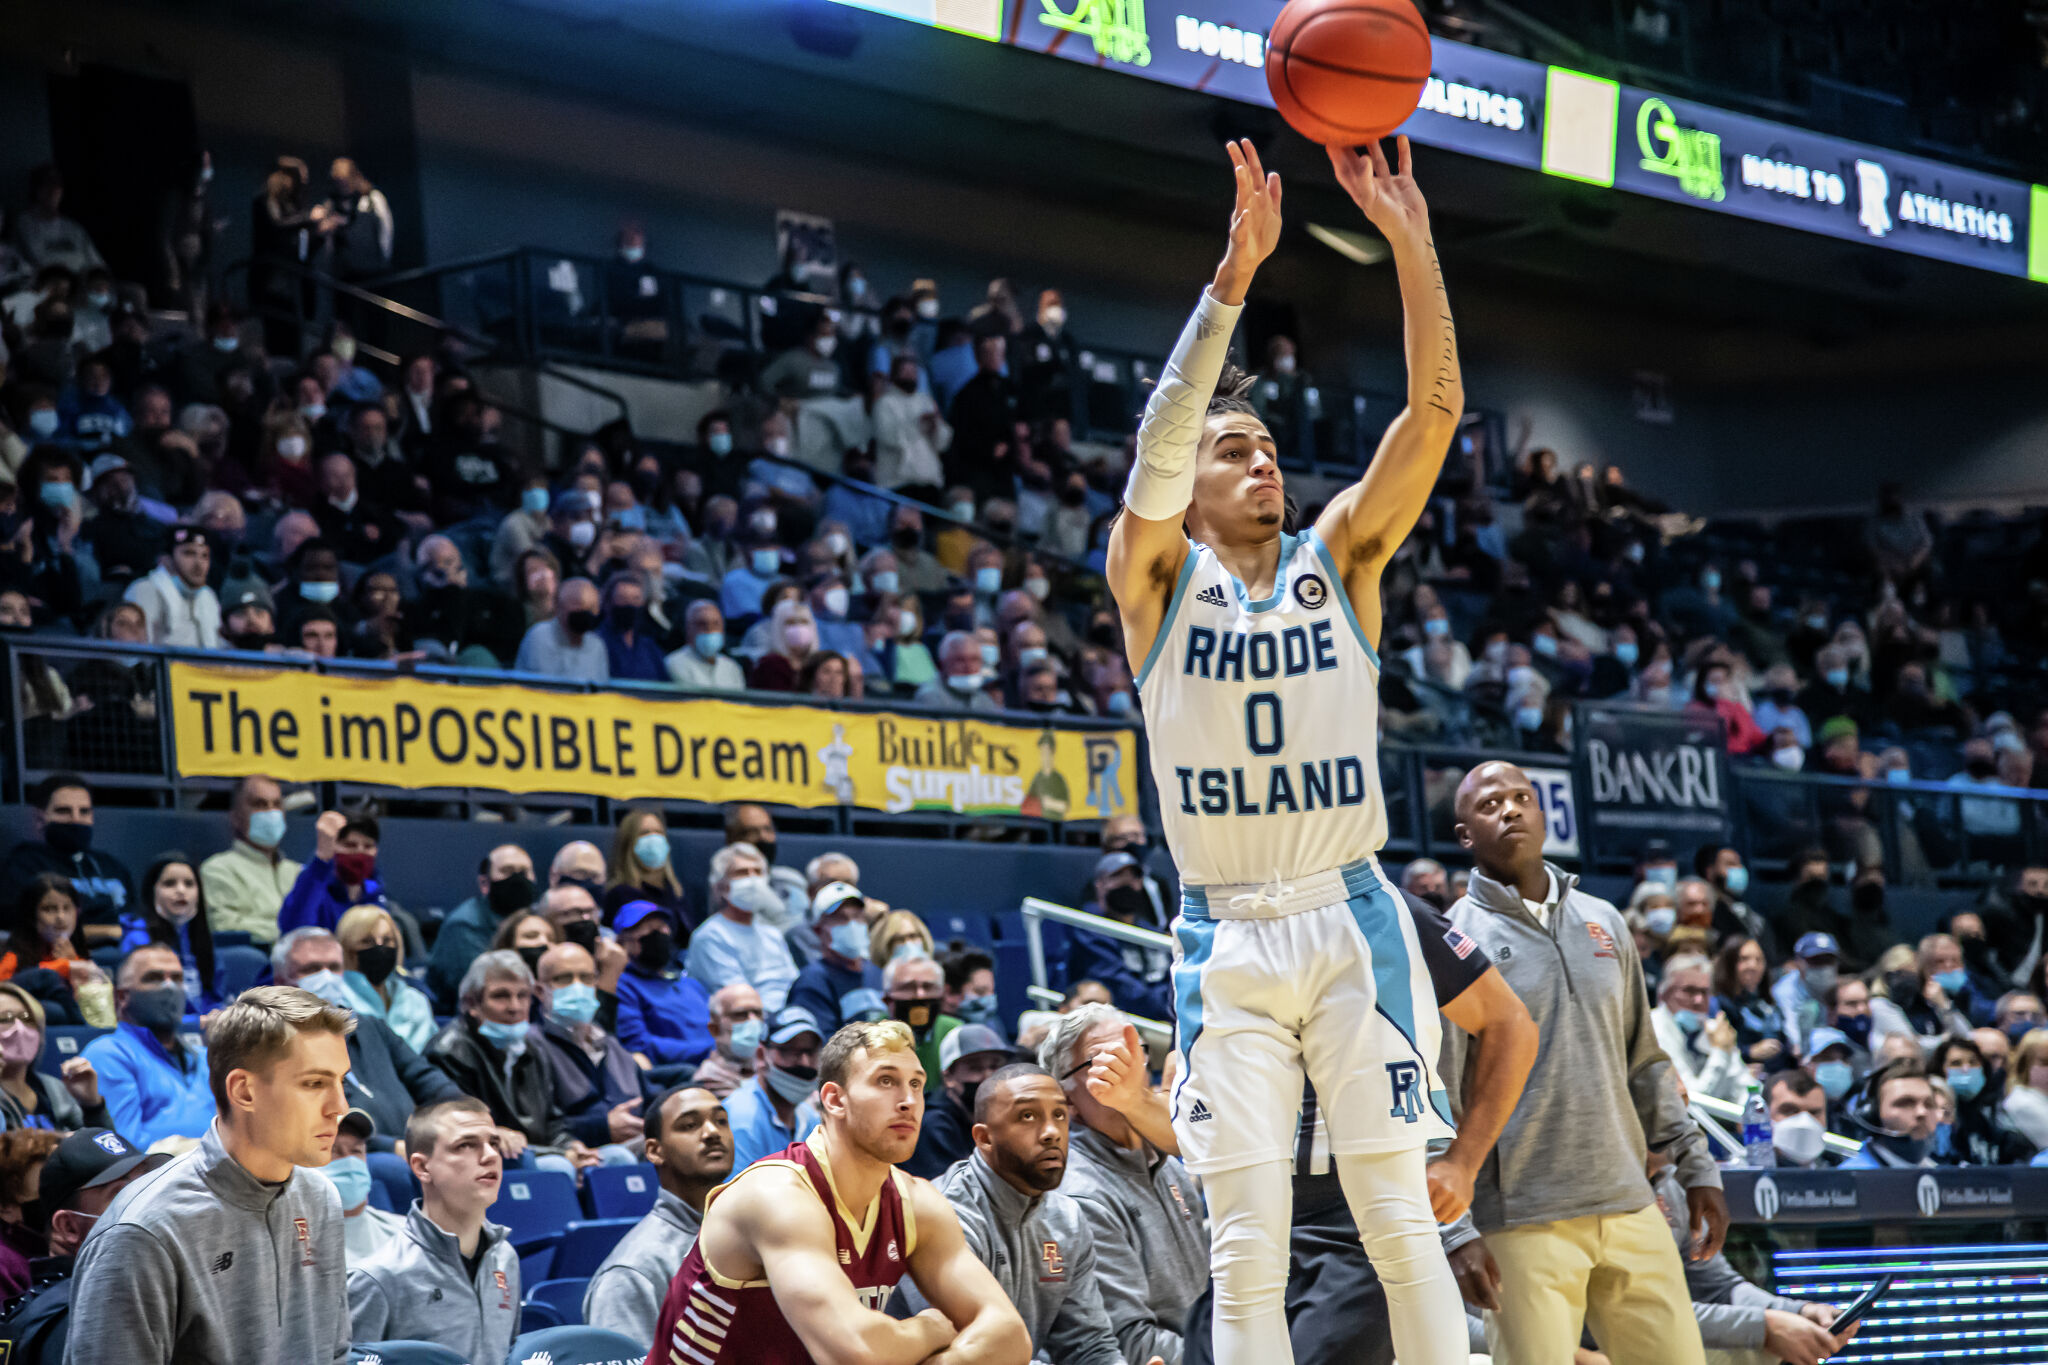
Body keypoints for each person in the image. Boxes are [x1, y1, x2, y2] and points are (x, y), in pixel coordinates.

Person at [1101, 137, 1467, 1365]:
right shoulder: (1151, 582)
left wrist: (1410, 239)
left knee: (1397, 1222)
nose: (1260, 460)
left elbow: (1432, 413)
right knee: (1244, 1241)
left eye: (1265, 448)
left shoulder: (1342, 557)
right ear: (1187, 489)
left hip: (1348, 915)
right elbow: (1159, 438)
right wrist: (1230, 281)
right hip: (1223, 932)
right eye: (1232, 449)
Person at [1444, 760, 1724, 1365]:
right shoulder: (1453, 940)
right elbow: (1441, 1101)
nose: (1511, 809)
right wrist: (1456, 1229)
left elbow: (1645, 1062)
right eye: (1490, 805)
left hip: (1629, 1200)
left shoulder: (1606, 920)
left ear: (1544, 816)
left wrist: (1698, 1166)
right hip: (1522, 1218)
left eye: (1522, 797)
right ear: (1465, 834)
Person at [645, 1019, 1030, 1364]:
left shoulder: (918, 1202)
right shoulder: (777, 1196)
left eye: (916, 1083)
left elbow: (1010, 1335)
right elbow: (854, 1352)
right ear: (834, 1099)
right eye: (885, 1081)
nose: (908, 1100)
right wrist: (932, 1327)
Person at [66, 987, 355, 1363]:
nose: (340, 1107)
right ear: (243, 1091)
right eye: (315, 1083)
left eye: (341, 1082)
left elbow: (334, 1354)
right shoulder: (144, 1232)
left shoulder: (320, 1198)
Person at [894, 1061, 1129, 1364]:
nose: (1050, 1132)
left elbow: (1088, 1344)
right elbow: (961, 1352)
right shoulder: (946, 1213)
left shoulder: (1068, 1217)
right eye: (1027, 1116)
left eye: (1059, 1115)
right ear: (984, 1138)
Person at [1037, 1005, 1206, 1364]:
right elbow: (1130, 1343)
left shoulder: (1166, 1160)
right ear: (1065, 1100)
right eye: (1104, 1061)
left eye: (1133, 1052)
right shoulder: (1079, 1196)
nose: (1127, 1071)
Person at [346, 1097, 520, 1362]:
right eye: (466, 1145)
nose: (490, 1155)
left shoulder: (505, 1257)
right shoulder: (378, 1277)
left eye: (493, 1143)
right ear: (422, 1167)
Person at [271, 929, 462, 1149]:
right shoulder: (276, 1044)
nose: (326, 977)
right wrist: (392, 1148)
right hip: (352, 1157)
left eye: (334, 968)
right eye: (311, 969)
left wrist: (468, 1116)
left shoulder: (369, 1026)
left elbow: (427, 1079)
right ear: (280, 981)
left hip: (408, 1149)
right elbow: (316, 1124)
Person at [0, 1125, 166, 1364]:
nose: (145, 1201)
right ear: (68, 1227)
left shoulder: (138, 1282)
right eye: (120, 1194)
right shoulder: (69, 1324)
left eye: (145, 1185)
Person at [584, 1084, 735, 1342]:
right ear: (654, 1151)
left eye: (720, 1121)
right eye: (689, 1125)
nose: (712, 1132)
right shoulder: (632, 1272)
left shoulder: (749, 1237)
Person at [424, 952, 589, 1171]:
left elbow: (552, 1124)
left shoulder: (533, 1048)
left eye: (523, 995)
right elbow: (463, 1132)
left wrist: (572, 1146)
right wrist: (562, 1154)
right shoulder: (449, 1052)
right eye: (501, 996)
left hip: (538, 1153)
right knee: (558, 1166)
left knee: (615, 1157)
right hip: (487, 1160)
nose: (515, 1007)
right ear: (471, 1003)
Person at [80, 945, 215, 1150]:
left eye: (177, 978)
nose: (169, 987)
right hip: (158, 1178)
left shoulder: (207, 1057)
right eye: (154, 978)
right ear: (122, 997)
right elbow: (124, 1149)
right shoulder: (109, 1053)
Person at [530, 941, 646, 1157]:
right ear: (539, 990)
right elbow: (537, 1125)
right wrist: (603, 1127)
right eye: (563, 979)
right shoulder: (531, 1045)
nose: (578, 987)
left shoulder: (611, 1043)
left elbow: (650, 1098)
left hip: (637, 1144)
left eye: (586, 978)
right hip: (580, 1154)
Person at [0, 774, 134, 945]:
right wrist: (107, 931)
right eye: (63, 811)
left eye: (84, 812)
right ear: (41, 818)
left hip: (123, 959)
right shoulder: (25, 865)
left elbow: (135, 921)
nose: (76, 819)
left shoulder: (112, 866)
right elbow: (25, 928)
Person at [686, 842, 800, 1012]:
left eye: (758, 872)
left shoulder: (772, 934)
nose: (753, 880)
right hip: (745, 1021)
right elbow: (739, 1000)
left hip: (790, 1018)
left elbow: (795, 984)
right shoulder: (710, 936)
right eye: (742, 873)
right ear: (722, 887)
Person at [426, 843, 538, 1011]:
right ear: (484, 883)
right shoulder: (464, 925)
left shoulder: (537, 919)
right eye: (507, 871)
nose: (518, 879)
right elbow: (481, 989)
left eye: (523, 873)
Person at [1067, 852, 1174, 1021]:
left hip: (1163, 1016)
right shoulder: (1089, 928)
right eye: (1118, 876)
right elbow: (1120, 988)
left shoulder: (1150, 931)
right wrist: (1166, 1007)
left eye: (1134, 876)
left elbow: (1172, 978)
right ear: (1100, 884)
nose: (1128, 883)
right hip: (1118, 1018)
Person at [198, 776, 302, 945]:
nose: (271, 812)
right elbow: (225, 925)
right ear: (235, 817)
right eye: (259, 805)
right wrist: (292, 932)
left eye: (276, 804)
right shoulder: (218, 869)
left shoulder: (299, 872)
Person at [613, 900, 715, 1068]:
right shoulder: (624, 986)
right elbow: (639, 1045)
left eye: (662, 927)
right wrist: (708, 1051)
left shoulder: (690, 984)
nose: (659, 933)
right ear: (623, 941)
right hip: (680, 1073)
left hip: (719, 1063)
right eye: (648, 928)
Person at [724, 1004, 826, 1172]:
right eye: (790, 1051)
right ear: (761, 1056)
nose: (804, 1062)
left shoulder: (808, 1118)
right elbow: (739, 1195)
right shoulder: (742, 1119)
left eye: (811, 1052)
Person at [905, 1023, 1012, 1180]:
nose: (988, 1076)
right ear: (948, 1077)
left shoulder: (1001, 1117)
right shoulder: (934, 1125)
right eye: (975, 1068)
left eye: (995, 1066)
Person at [120, 856, 223, 1016]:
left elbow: (214, 997)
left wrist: (216, 1015)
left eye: (189, 884)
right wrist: (196, 1022)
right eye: (169, 884)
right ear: (152, 891)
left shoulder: (203, 939)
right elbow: (141, 1005)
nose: (181, 891)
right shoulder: (137, 939)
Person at [0, 983, 107, 1131]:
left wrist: (91, 1105)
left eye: (27, 1019)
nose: (19, 1028)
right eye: (5, 1019)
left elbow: (105, 1148)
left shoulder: (54, 1088)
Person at [787, 880, 887, 1035]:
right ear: (819, 930)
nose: (852, 925)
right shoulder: (812, 982)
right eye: (841, 918)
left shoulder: (878, 973)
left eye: (857, 916)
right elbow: (823, 1048)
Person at [1650, 954, 1746, 1104]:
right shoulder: (1655, 1029)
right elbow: (1691, 1100)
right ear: (1664, 994)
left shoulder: (1711, 1026)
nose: (1698, 1000)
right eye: (1689, 990)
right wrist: (1720, 1052)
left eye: (1704, 992)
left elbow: (1743, 1086)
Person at [312, 1106, 405, 1263]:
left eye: (356, 1151)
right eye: (333, 1151)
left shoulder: (404, 1233)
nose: (349, 1161)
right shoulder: (296, 1248)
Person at [336, 906, 433, 1052]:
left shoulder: (415, 1001)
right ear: (347, 948)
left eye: (387, 940)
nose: (380, 948)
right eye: (368, 941)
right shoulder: (337, 1002)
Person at [275, 811, 387, 936]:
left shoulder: (376, 893)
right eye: (350, 845)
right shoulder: (315, 887)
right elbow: (294, 928)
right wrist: (321, 860)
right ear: (333, 846)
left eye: (368, 846)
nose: (359, 852)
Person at [1930, 1035, 2033, 1166]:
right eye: (1956, 1063)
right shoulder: (1935, 1121)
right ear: (1940, 1070)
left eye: (1973, 1063)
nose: (1966, 1069)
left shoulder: (1989, 1121)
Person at [122, 527, 220, 647]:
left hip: (206, 665)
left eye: (205, 556)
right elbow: (138, 651)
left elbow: (216, 644)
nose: (199, 564)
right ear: (165, 560)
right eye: (189, 554)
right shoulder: (145, 590)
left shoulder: (208, 596)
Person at [1840, 1058, 1942, 1168]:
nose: (1922, 1112)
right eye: (1905, 1103)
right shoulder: (1851, 1177)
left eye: (1929, 1104)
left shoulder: (1938, 1172)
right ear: (1873, 1114)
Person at [725, 803, 810, 928]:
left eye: (767, 829)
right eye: (751, 831)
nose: (763, 837)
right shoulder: (729, 880)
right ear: (732, 837)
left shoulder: (792, 879)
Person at [605, 807, 692, 930]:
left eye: (658, 832)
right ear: (629, 843)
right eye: (645, 833)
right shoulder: (620, 894)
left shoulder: (675, 891)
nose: (653, 838)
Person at [515, 576, 610, 681]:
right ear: (559, 607)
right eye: (577, 605)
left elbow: (600, 690)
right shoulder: (539, 636)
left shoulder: (596, 645)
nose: (584, 611)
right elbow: (545, 687)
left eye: (591, 607)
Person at [1770, 932, 1841, 1057]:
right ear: (1798, 962)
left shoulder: (1842, 988)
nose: (1823, 967)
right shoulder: (1785, 990)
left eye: (1828, 960)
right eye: (1815, 961)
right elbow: (1794, 1037)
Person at [692, 983, 766, 1098]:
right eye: (741, 1014)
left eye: (757, 1013)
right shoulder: (710, 1080)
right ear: (715, 1029)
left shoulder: (768, 1063)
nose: (753, 1021)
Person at [1760, 1071, 1838, 1170]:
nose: (1804, 1121)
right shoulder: (1743, 1170)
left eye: (1813, 1113)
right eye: (1790, 1111)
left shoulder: (1842, 1171)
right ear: (1763, 1115)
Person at [667, 599, 747, 691]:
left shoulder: (732, 667)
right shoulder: (674, 663)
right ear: (688, 629)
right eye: (702, 624)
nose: (710, 630)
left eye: (716, 624)